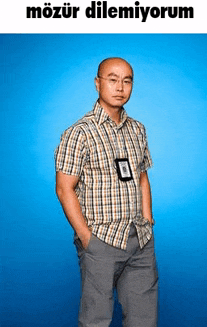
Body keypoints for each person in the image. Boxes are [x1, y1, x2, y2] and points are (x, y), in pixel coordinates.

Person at [55, 57, 158, 326]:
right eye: (112, 79)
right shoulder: (79, 133)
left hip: (140, 239)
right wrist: (86, 237)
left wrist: (147, 218)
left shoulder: (137, 129)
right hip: (101, 239)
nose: (120, 87)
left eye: (127, 81)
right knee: (96, 318)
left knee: (144, 317)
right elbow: (64, 188)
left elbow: (142, 176)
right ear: (97, 83)